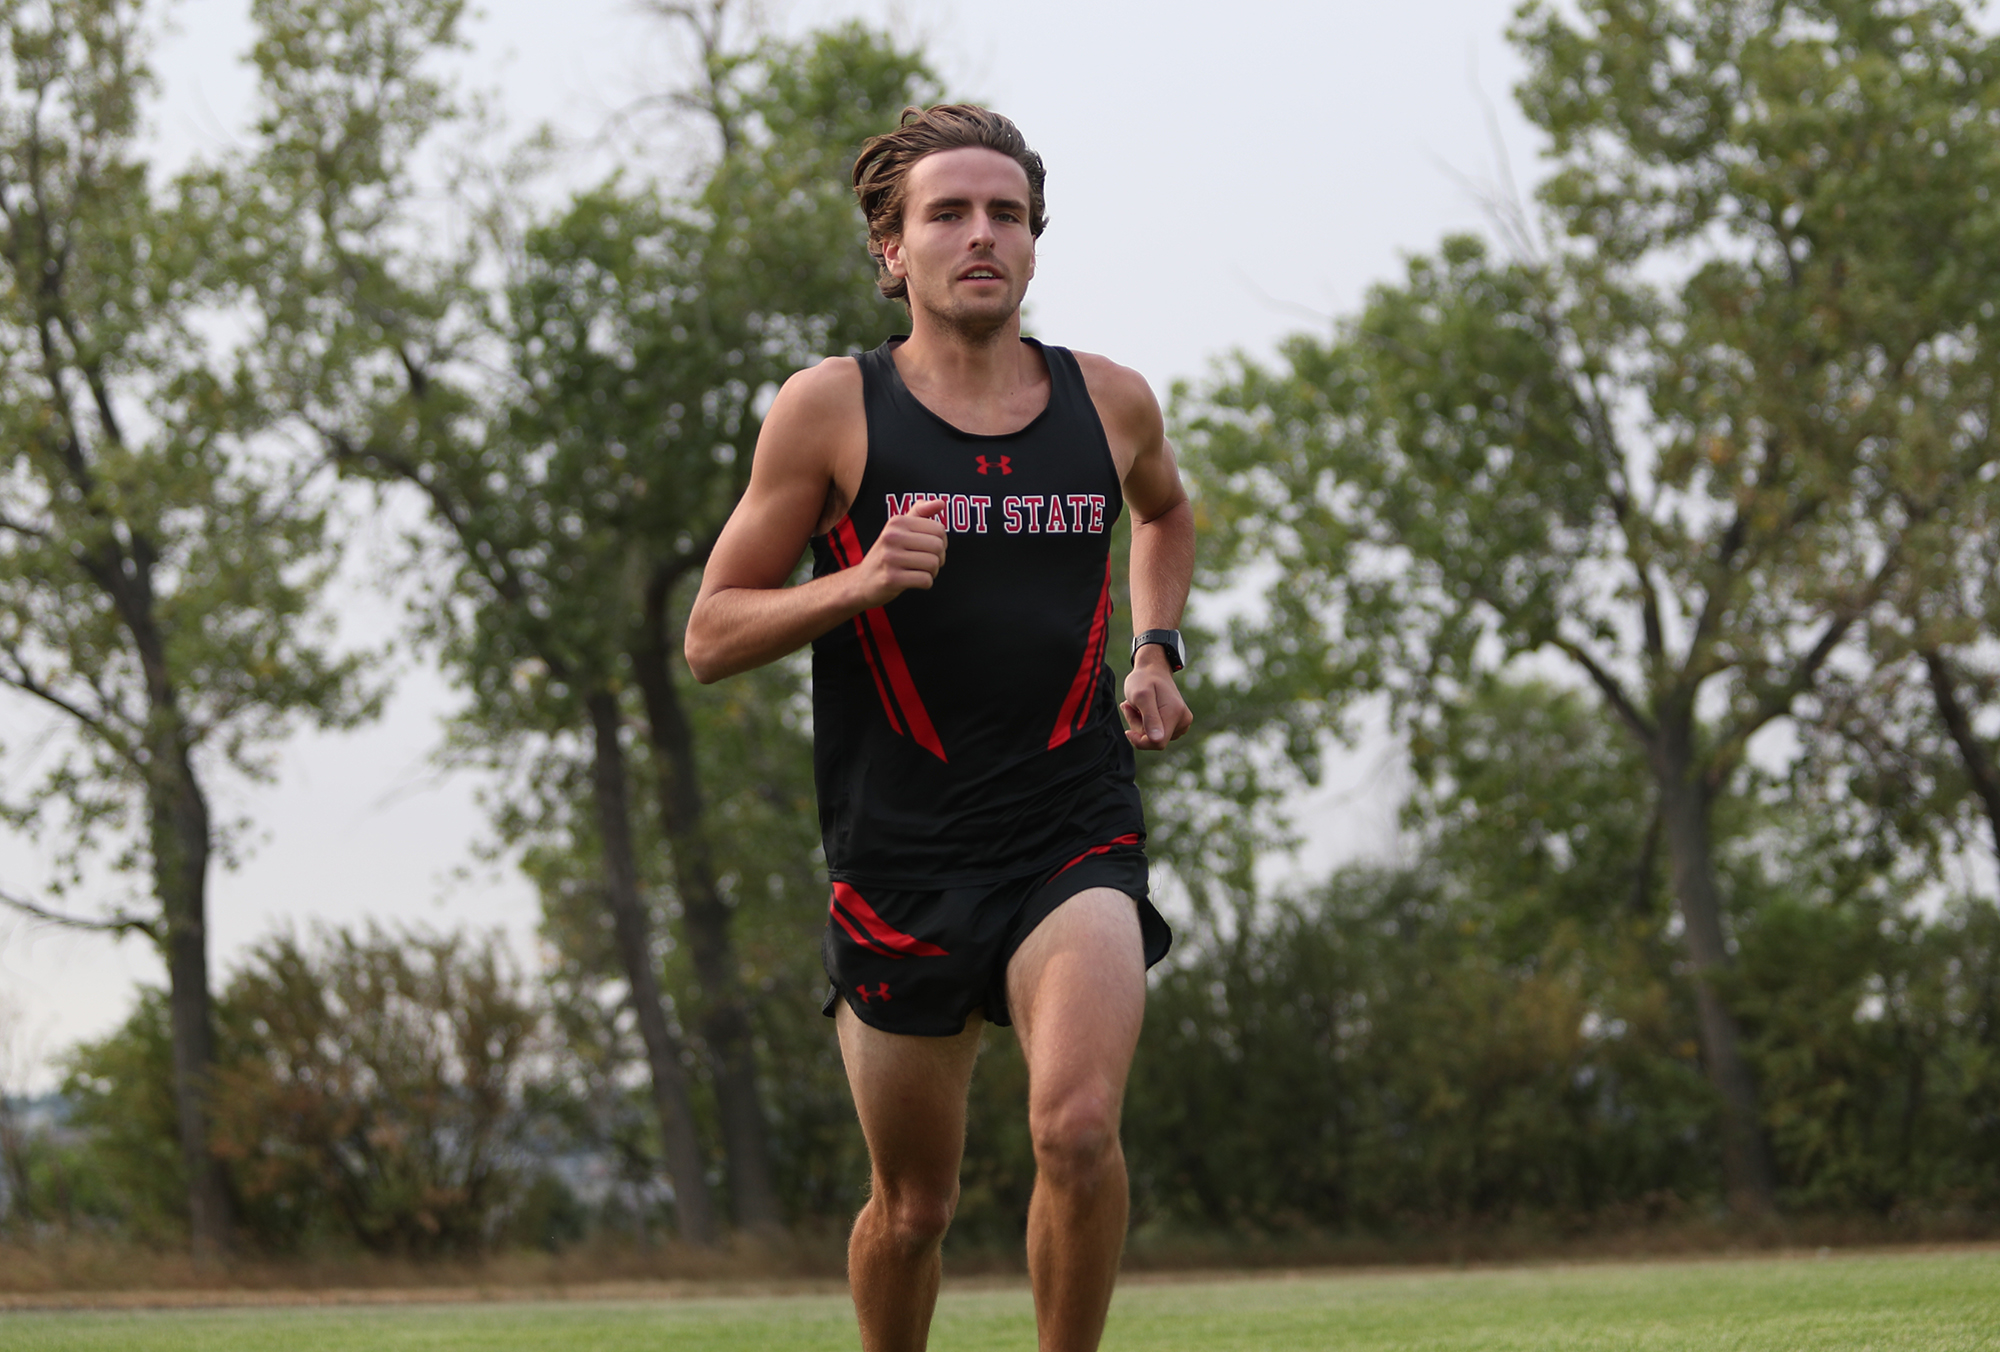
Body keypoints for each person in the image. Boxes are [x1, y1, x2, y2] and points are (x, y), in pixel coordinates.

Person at [684, 103, 1195, 1352]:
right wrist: (854, 579)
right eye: (948, 214)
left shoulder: (1108, 399)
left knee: (1075, 1126)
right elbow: (709, 634)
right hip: (901, 850)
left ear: (1033, 243)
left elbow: (1164, 514)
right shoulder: (829, 411)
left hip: (1069, 824)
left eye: (1006, 215)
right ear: (889, 251)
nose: (982, 236)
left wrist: (1155, 645)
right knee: (913, 1205)